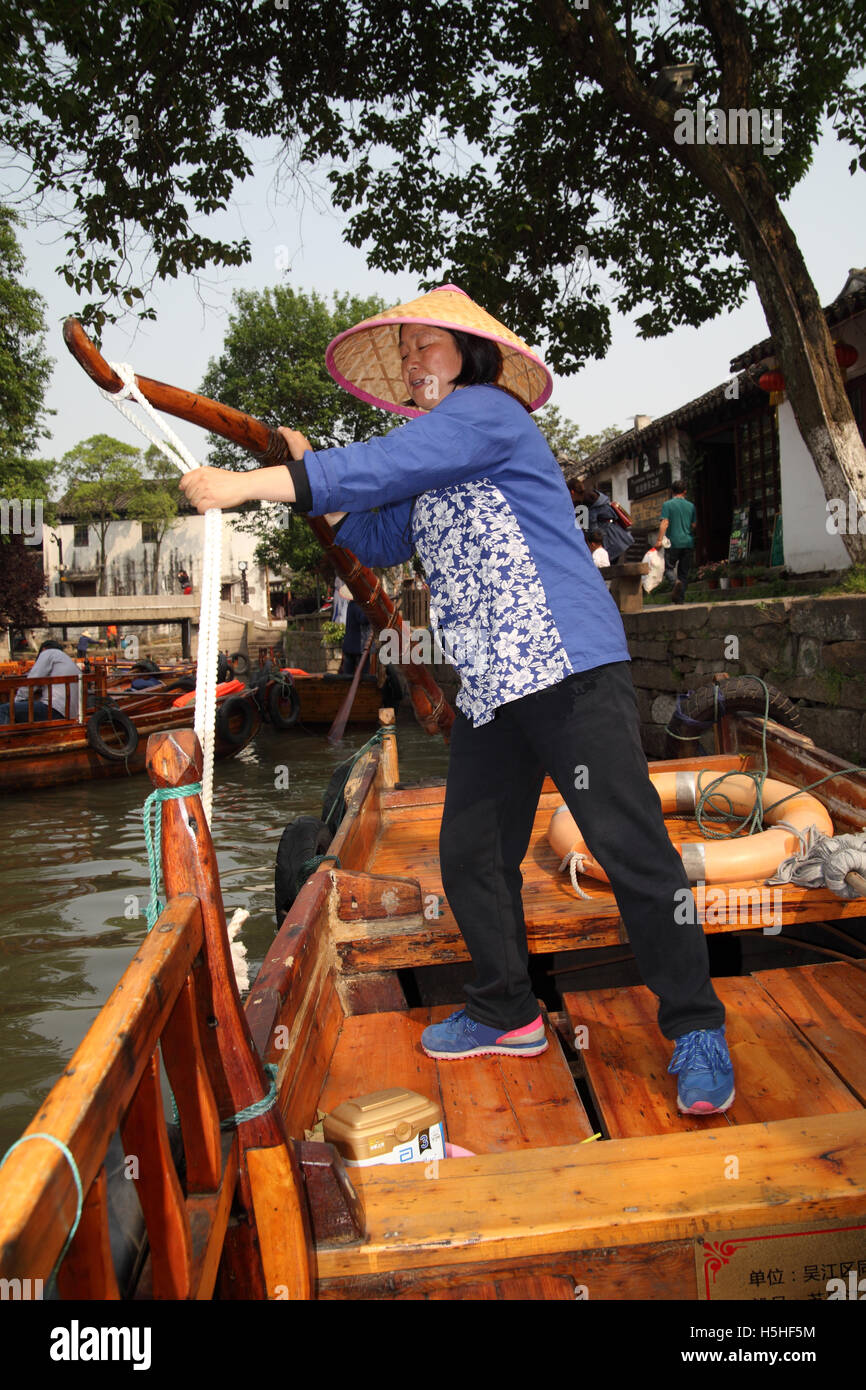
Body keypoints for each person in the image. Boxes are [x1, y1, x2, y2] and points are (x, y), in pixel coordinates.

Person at [179, 283, 733, 1115]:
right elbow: (368, 527)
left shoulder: (488, 414)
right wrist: (303, 470)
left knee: (632, 849)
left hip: (565, 664)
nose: (412, 363)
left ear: (468, 357)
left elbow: (376, 466)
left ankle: (696, 1025)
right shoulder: (433, 456)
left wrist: (257, 480)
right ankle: (509, 1010)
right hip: (493, 684)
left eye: (424, 347)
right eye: (404, 355)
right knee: (472, 851)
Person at [0, 640, 80, 723]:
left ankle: (5, 736)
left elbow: (32, 681)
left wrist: (16, 701)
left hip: (55, 710)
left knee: (4, 710)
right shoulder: (66, 659)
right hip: (72, 713)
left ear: (43, 649)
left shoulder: (47, 653)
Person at [571, 478, 633, 564]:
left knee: (605, 568)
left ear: (572, 492)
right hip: (618, 535)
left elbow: (590, 527)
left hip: (608, 540)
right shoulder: (595, 495)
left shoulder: (586, 502)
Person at [657, 480, 697, 604]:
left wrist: (659, 540)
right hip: (688, 542)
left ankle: (675, 583)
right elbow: (694, 525)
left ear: (672, 491)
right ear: (685, 491)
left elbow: (664, 523)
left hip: (673, 542)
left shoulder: (667, 505)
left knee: (668, 569)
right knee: (683, 573)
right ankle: (680, 600)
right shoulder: (691, 506)